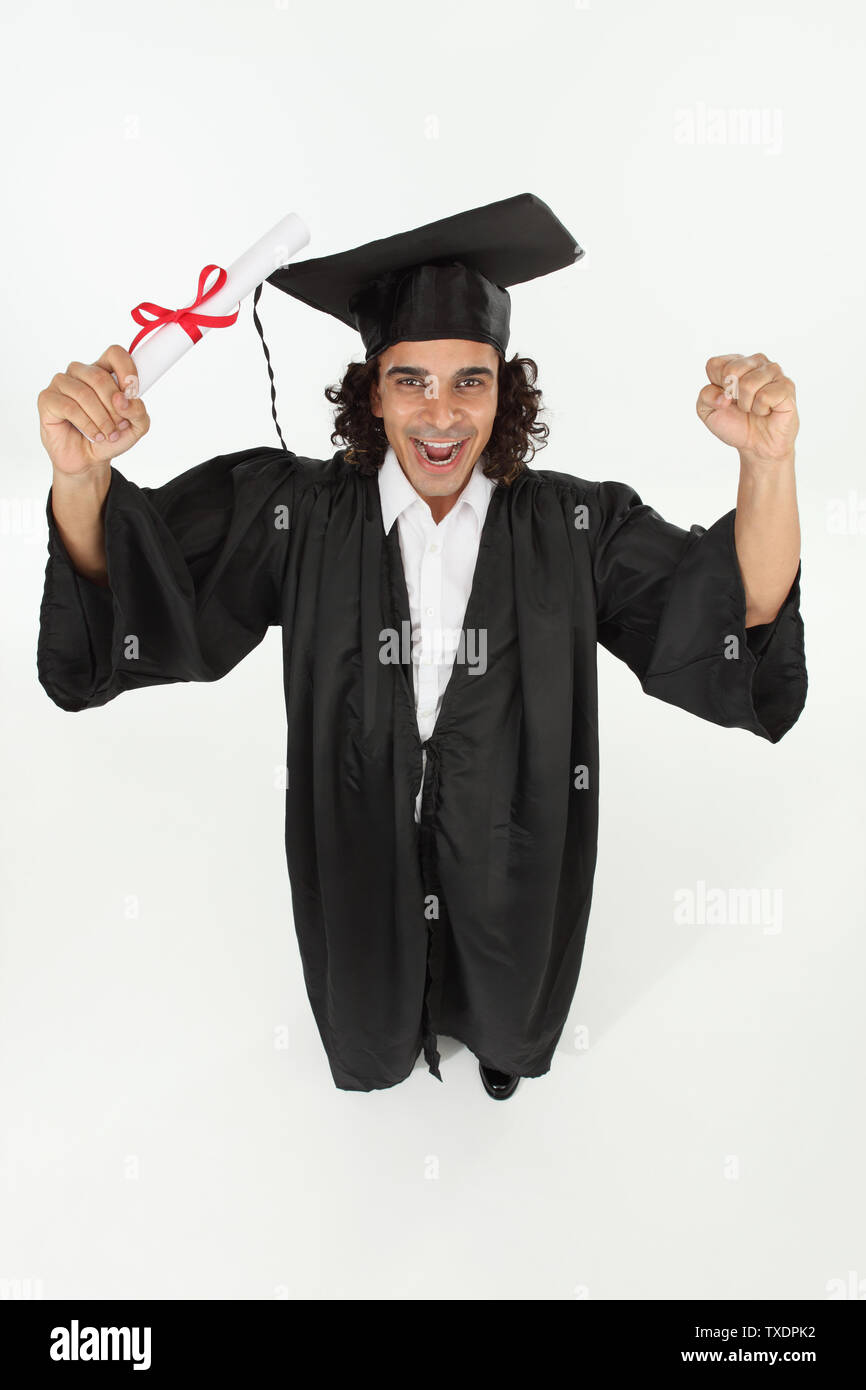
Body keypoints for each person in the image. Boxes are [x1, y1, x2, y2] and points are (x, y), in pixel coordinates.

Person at [35, 194, 807, 1100]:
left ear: (504, 390)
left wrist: (768, 463)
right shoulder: (298, 515)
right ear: (373, 389)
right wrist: (82, 480)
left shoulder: (577, 526)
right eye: (411, 380)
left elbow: (732, 618)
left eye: (468, 381)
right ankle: (382, 1047)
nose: (440, 414)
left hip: (514, 838)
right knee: (368, 985)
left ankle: (501, 1049)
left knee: (509, 975)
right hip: (356, 830)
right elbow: (136, 598)